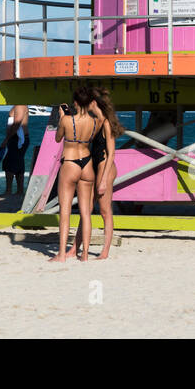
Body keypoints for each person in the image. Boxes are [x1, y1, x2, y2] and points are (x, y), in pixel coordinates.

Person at [50, 93, 104, 263]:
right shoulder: (95, 122)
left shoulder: (67, 120)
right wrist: (95, 108)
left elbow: (58, 138)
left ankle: (61, 254)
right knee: (85, 213)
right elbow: (102, 119)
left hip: (71, 162)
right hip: (87, 164)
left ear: (75, 103)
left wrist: (62, 117)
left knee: (65, 212)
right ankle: (85, 254)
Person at [83, 86, 123, 261]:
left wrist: (104, 181)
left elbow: (111, 152)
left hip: (105, 168)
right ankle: (75, 248)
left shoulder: (105, 123)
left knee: (105, 211)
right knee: (87, 209)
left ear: (93, 103)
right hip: (96, 167)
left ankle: (105, 251)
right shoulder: (95, 122)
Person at [0, 105, 30, 196]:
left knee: (9, 163)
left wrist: (6, 139)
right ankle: (19, 191)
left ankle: (9, 190)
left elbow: (16, 124)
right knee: (18, 163)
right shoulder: (18, 105)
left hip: (17, 139)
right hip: (17, 138)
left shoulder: (20, 105)